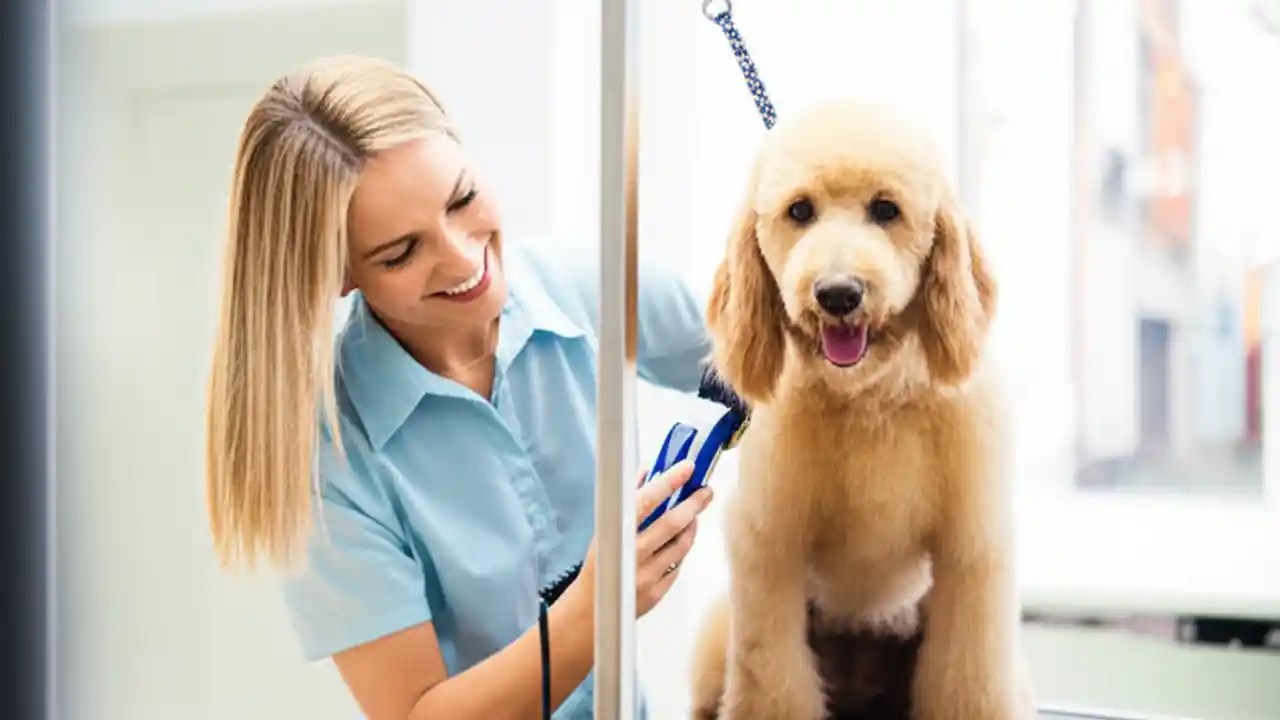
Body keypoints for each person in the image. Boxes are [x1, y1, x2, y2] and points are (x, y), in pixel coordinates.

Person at [204, 55, 718, 719]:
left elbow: (771, 366)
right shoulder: (328, 460)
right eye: (400, 252)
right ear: (337, 275)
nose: (462, 257)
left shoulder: (582, 285)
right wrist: (594, 612)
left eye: (463, 199)